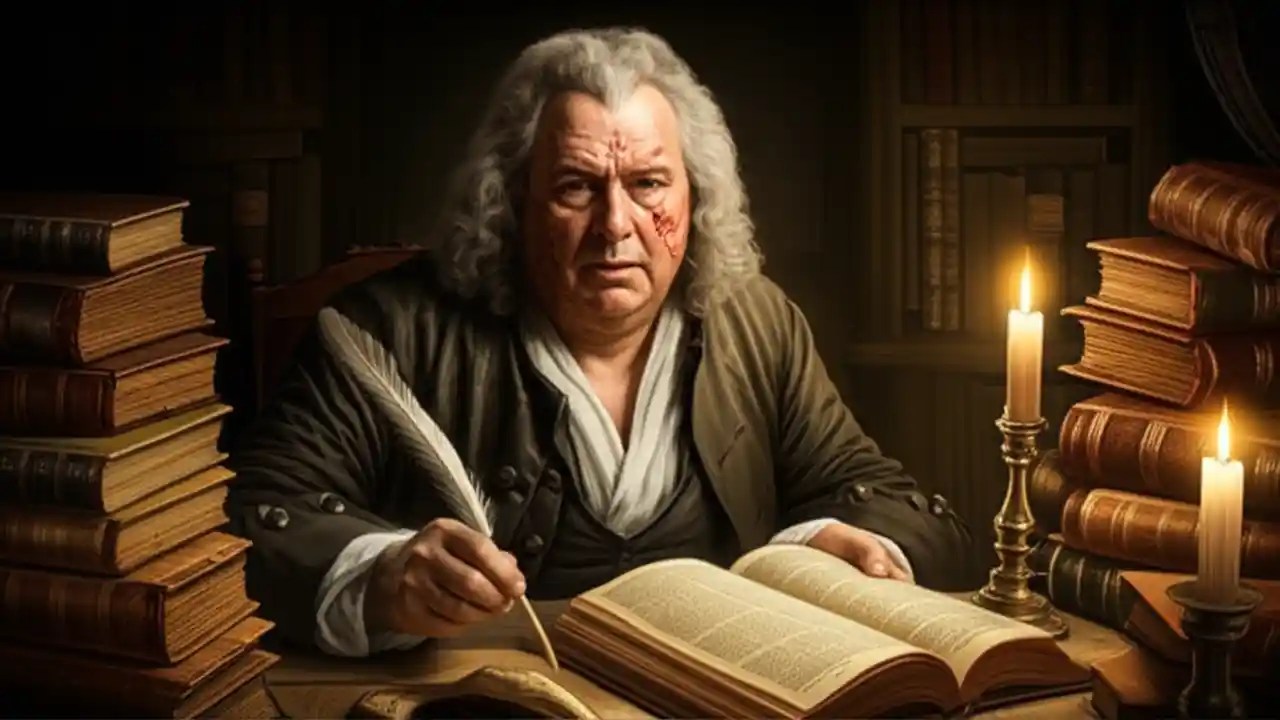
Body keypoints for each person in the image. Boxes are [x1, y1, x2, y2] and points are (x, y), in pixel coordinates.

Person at [227, 26, 978, 659]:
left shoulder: (756, 326)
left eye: (649, 184)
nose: (615, 225)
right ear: (514, 203)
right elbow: (252, 522)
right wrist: (382, 576)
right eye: (576, 187)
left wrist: (838, 542)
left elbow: (895, 504)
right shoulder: (391, 331)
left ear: (695, 197)